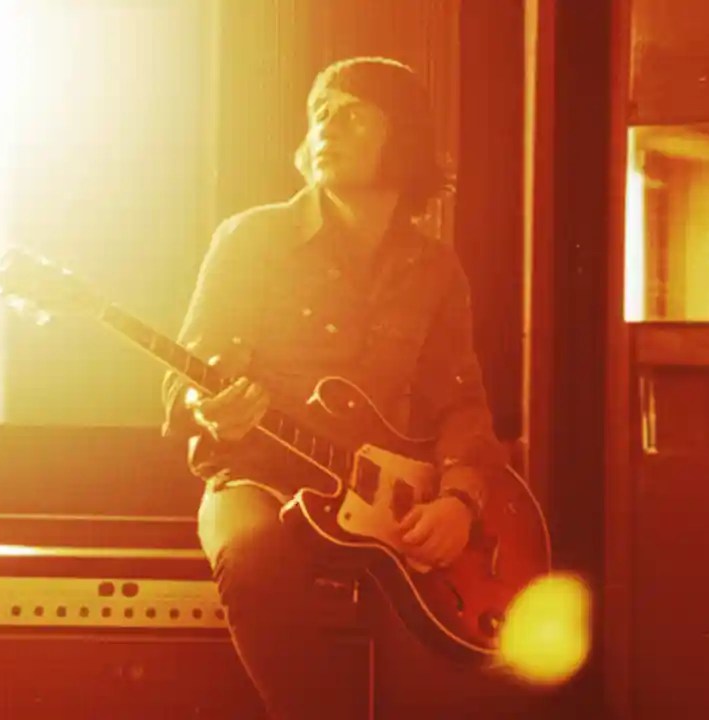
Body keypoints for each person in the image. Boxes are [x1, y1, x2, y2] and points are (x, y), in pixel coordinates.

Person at [161, 57, 508, 719]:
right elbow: (185, 373)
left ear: (401, 137)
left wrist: (460, 501)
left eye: (352, 115)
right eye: (321, 114)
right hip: (255, 476)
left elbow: (461, 402)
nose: (327, 128)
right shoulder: (251, 238)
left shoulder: (434, 267)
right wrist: (207, 408)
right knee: (252, 554)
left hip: (380, 498)